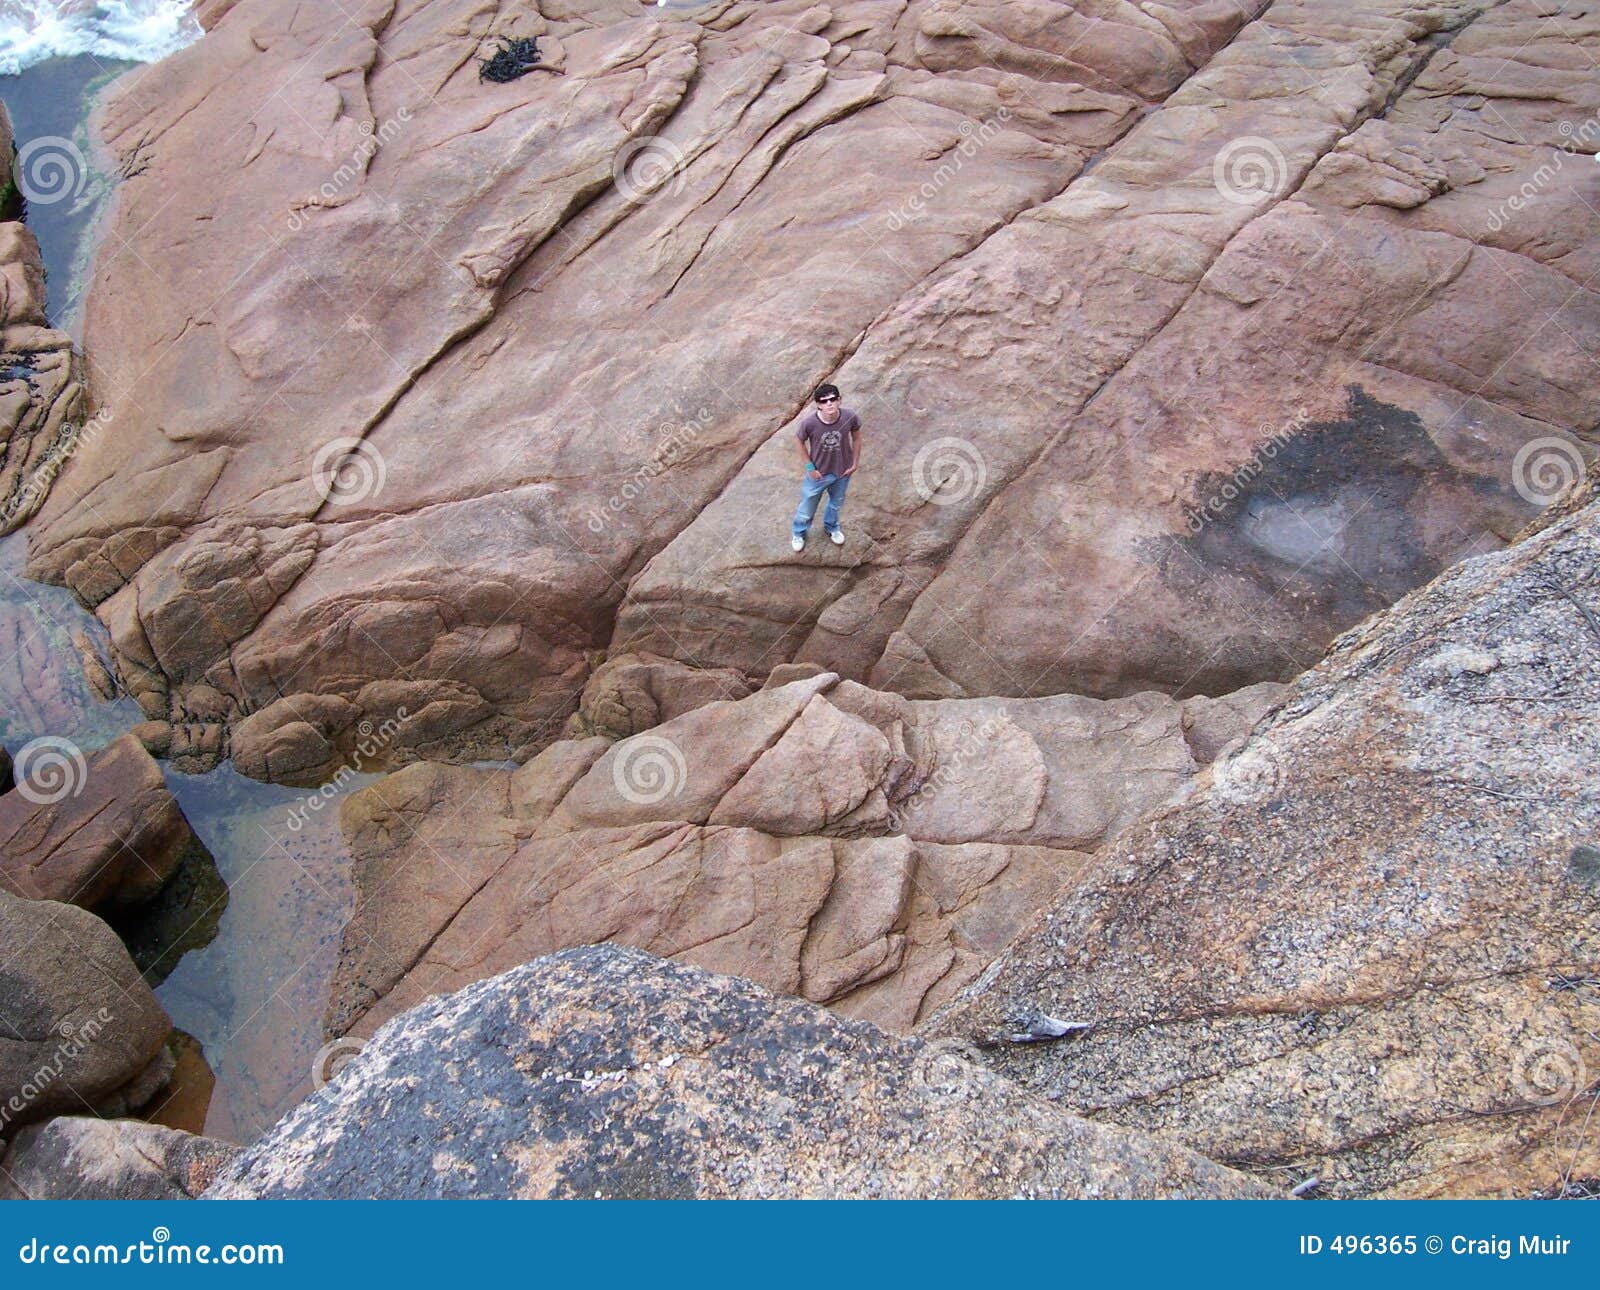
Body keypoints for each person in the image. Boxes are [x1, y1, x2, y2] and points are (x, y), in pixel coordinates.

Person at [790, 383, 861, 552]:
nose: (829, 403)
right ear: (818, 405)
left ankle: (832, 527)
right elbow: (798, 440)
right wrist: (810, 468)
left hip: (842, 471)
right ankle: (799, 532)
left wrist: (854, 462)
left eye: (832, 399)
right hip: (819, 473)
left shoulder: (849, 417)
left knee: (836, 503)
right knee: (807, 506)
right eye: (824, 401)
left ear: (839, 400)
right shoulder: (809, 423)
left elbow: (857, 437)